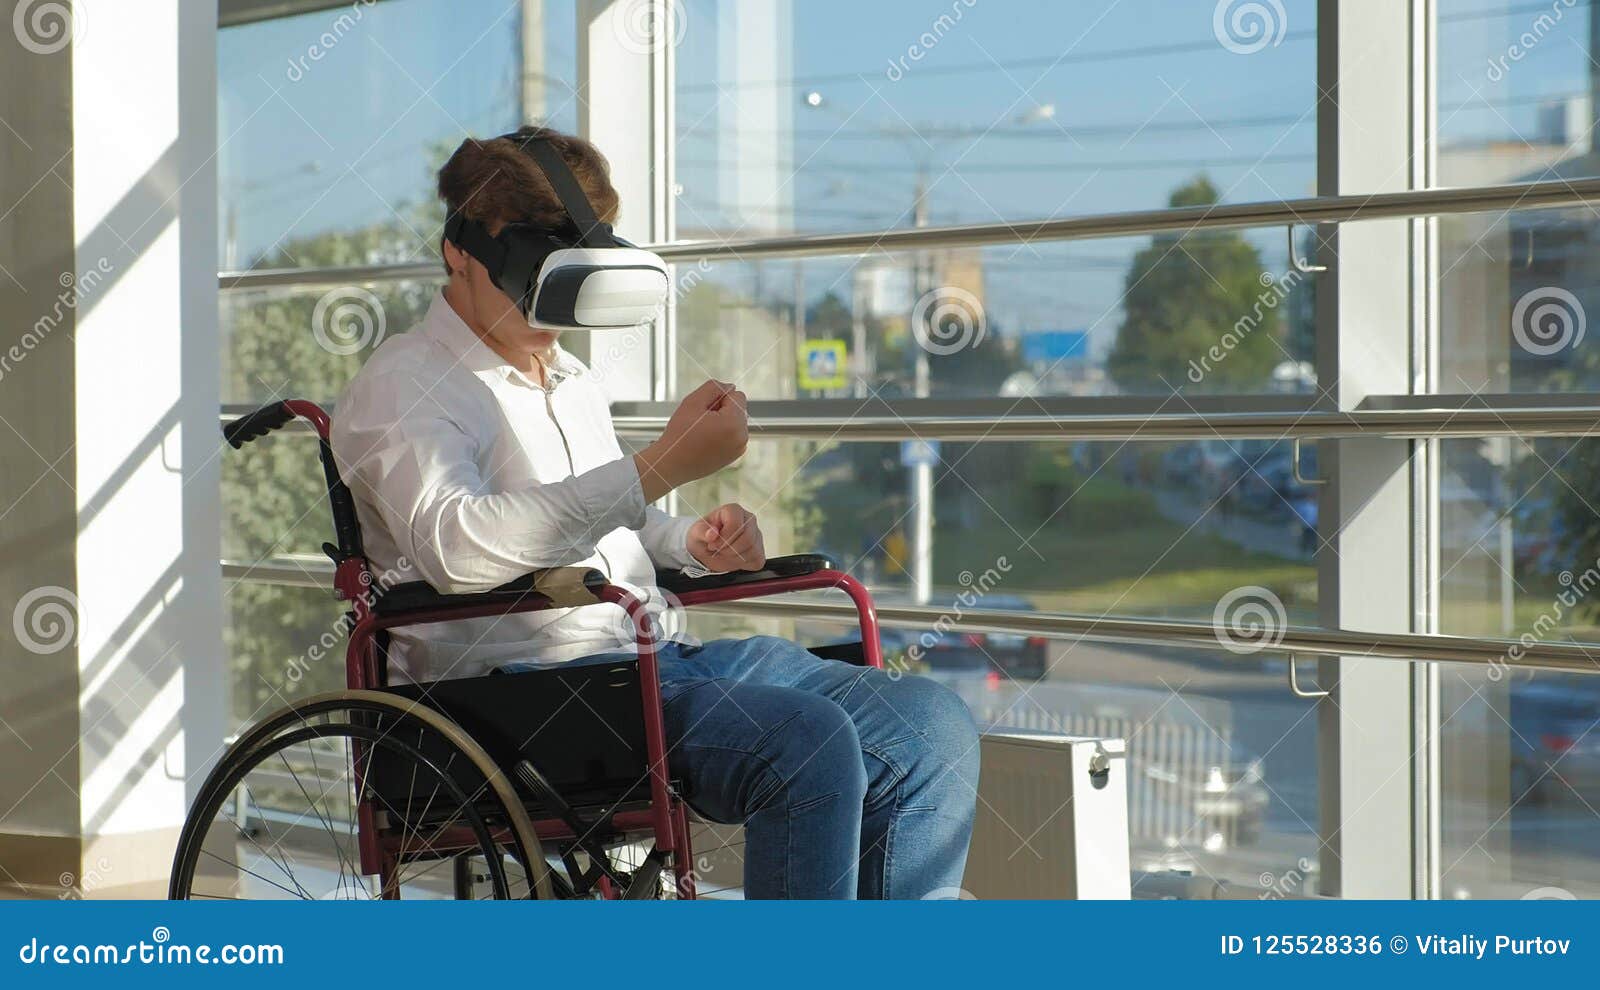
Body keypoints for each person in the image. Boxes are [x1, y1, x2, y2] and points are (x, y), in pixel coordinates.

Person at [330, 126, 979, 899]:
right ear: (459, 252)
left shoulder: (564, 377)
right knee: (806, 747)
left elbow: (611, 529)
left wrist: (694, 544)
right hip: (521, 699)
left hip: (651, 662)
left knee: (931, 727)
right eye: (532, 277)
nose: (552, 309)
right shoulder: (405, 383)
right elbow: (458, 548)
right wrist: (658, 465)